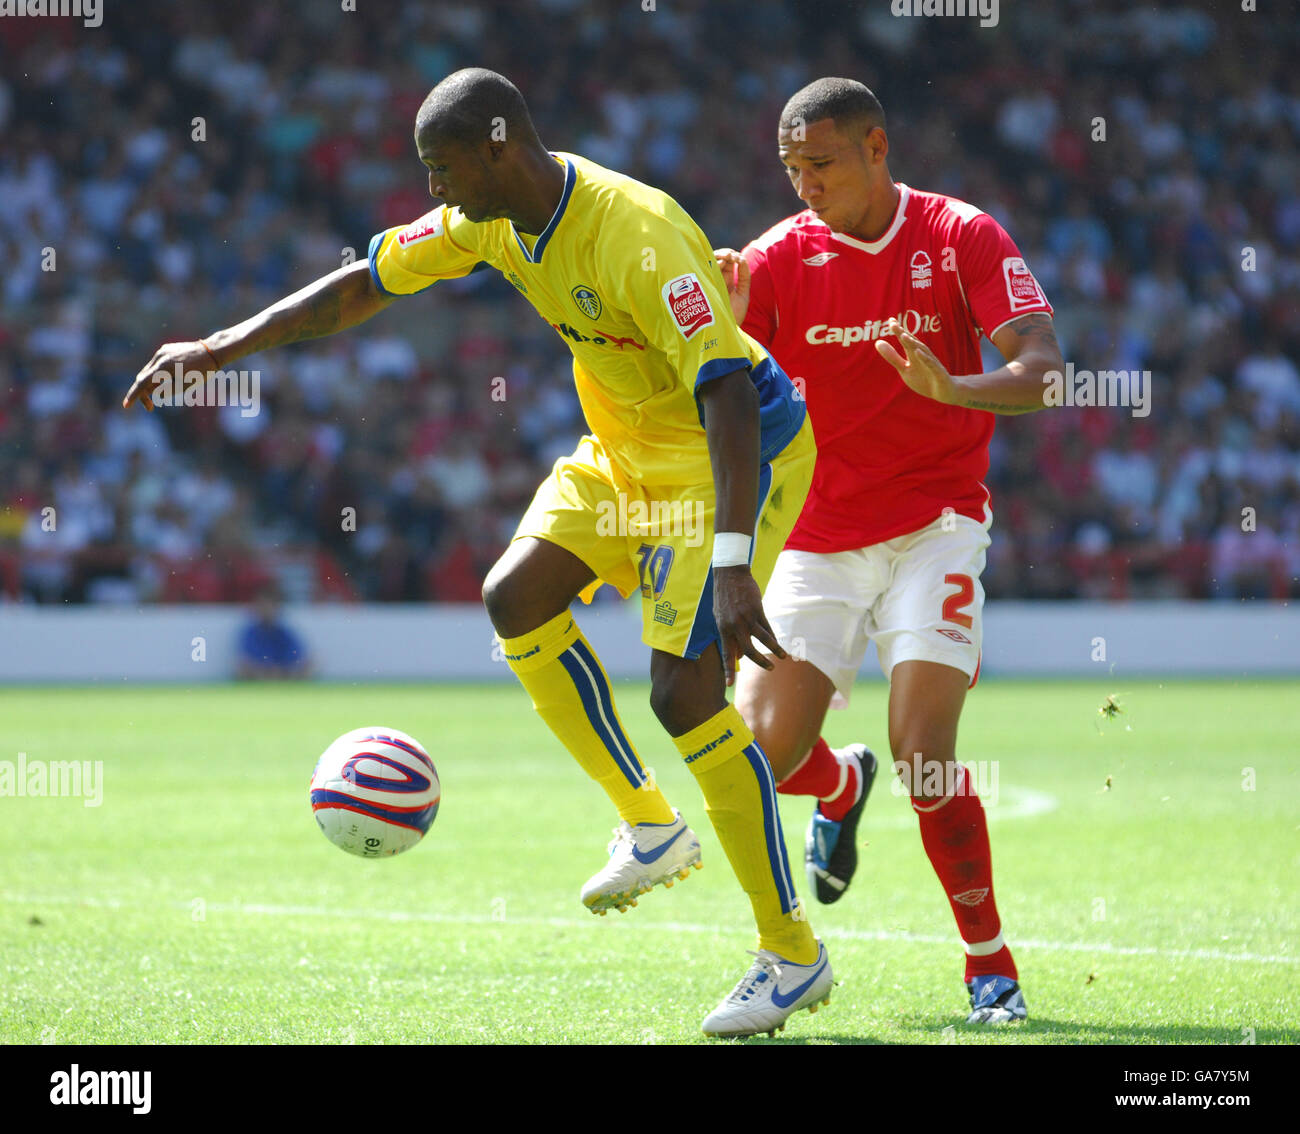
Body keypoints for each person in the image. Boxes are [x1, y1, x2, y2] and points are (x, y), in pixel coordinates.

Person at [124, 68, 829, 1039]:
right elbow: (363, 284)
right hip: (622, 449)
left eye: (441, 167)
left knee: (683, 694)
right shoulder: (487, 221)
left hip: (724, 457)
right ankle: (650, 824)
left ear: (497, 147)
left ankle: (790, 953)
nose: (431, 190)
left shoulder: (636, 232)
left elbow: (725, 393)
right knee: (515, 598)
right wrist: (219, 345)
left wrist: (736, 559)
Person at [715, 78, 1064, 1025]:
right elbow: (717, 402)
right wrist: (720, 322)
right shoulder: (779, 260)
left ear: (876, 146)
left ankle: (990, 966)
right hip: (816, 539)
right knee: (765, 758)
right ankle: (838, 783)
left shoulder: (962, 237)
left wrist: (952, 388)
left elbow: (1043, 373)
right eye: (791, 170)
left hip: (935, 525)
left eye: (820, 164)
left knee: (927, 756)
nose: (805, 187)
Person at [236, 587, 312, 680]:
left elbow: (297, 657)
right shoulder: (251, 633)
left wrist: (282, 671)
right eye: (262, 605)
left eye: (269, 605)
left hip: (284, 673)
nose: (266, 609)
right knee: (240, 666)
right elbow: (246, 659)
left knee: (312, 663)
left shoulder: (284, 632)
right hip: (261, 674)